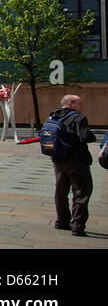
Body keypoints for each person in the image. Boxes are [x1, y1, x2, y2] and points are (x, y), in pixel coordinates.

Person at [46, 94, 96, 236]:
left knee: (61, 191)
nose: (81, 106)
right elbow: (85, 136)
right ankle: (78, 226)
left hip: (58, 160)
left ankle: (61, 221)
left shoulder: (53, 116)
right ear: (70, 104)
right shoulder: (78, 117)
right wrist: (91, 135)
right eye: (80, 103)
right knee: (81, 193)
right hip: (77, 160)